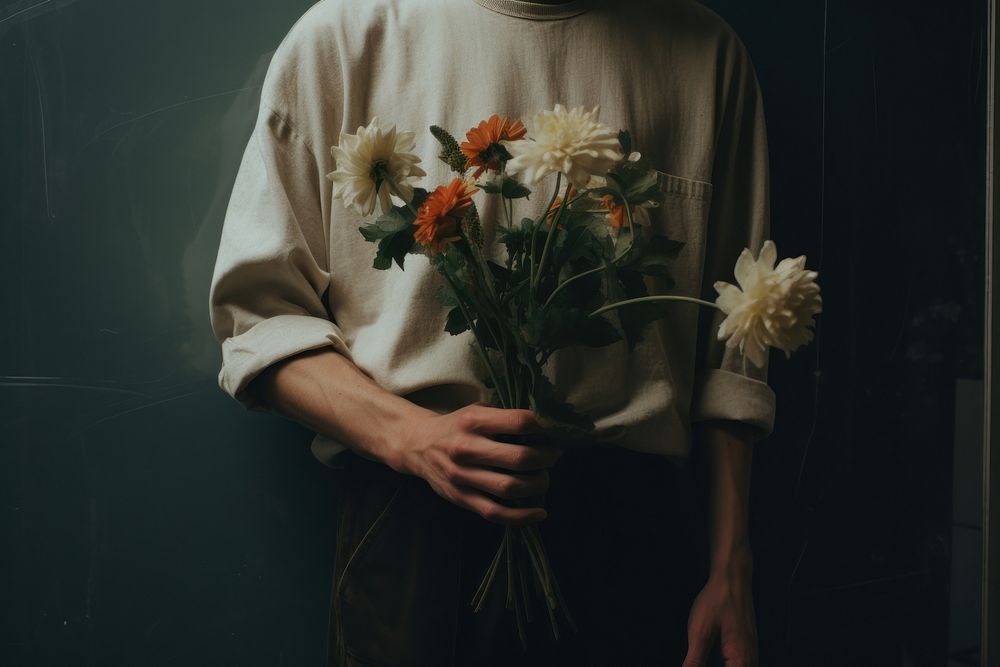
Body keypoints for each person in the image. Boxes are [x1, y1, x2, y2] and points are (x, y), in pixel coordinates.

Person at [208, 0, 776, 664]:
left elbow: (735, 353)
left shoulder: (708, 56)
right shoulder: (344, 40)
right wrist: (410, 437)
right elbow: (259, 319)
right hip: (413, 526)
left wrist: (731, 567)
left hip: (633, 540)